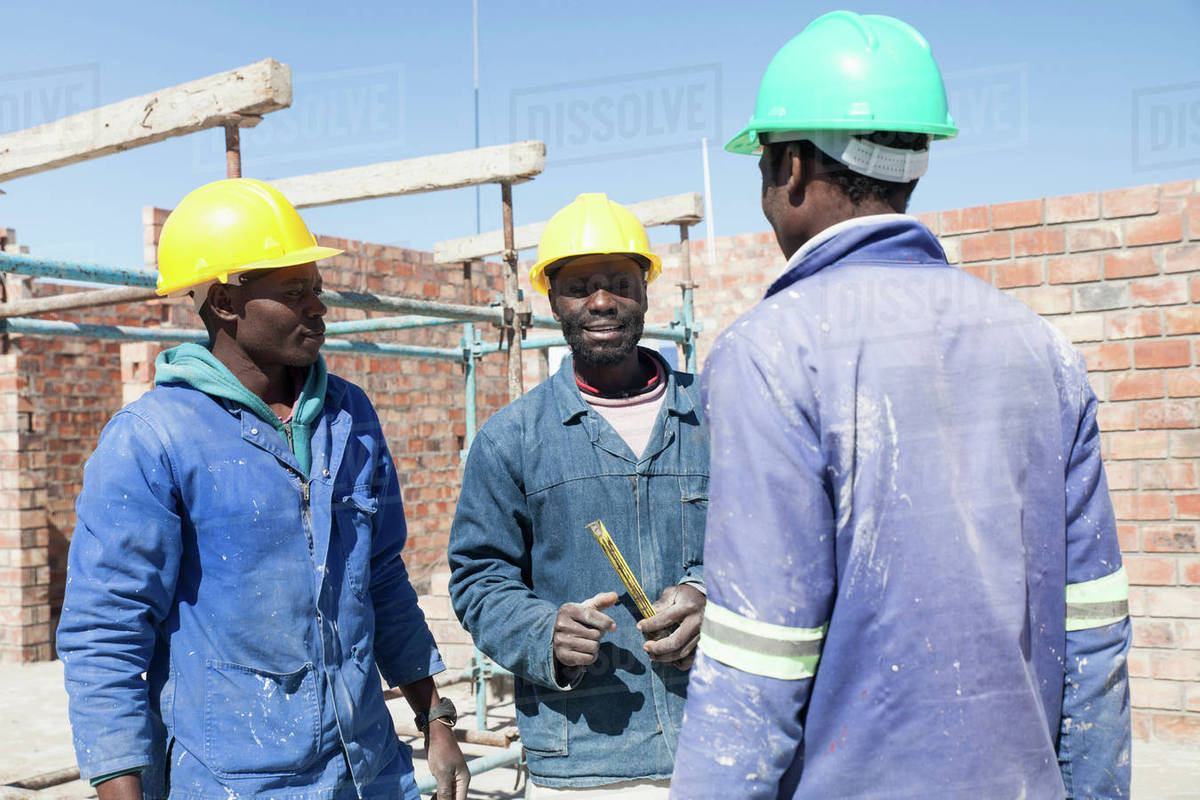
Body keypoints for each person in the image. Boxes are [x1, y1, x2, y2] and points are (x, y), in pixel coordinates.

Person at [671, 11, 1131, 799]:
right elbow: (1094, 629)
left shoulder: (770, 354)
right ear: (912, 164)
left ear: (788, 169)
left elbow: (758, 662)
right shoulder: (1042, 349)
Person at [56, 178, 469, 800]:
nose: (319, 309)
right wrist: (120, 787)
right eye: (296, 293)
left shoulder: (348, 415)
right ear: (224, 301)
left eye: (318, 290)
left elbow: (380, 576)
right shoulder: (152, 439)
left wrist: (433, 716)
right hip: (232, 781)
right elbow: (106, 632)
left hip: (368, 770)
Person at [447, 194, 709, 797]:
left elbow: (775, 548)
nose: (601, 300)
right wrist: (544, 633)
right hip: (585, 763)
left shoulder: (719, 414)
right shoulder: (512, 439)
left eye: (620, 282)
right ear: (552, 300)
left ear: (645, 290)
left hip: (718, 741)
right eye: (579, 286)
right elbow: (479, 578)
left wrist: (707, 593)